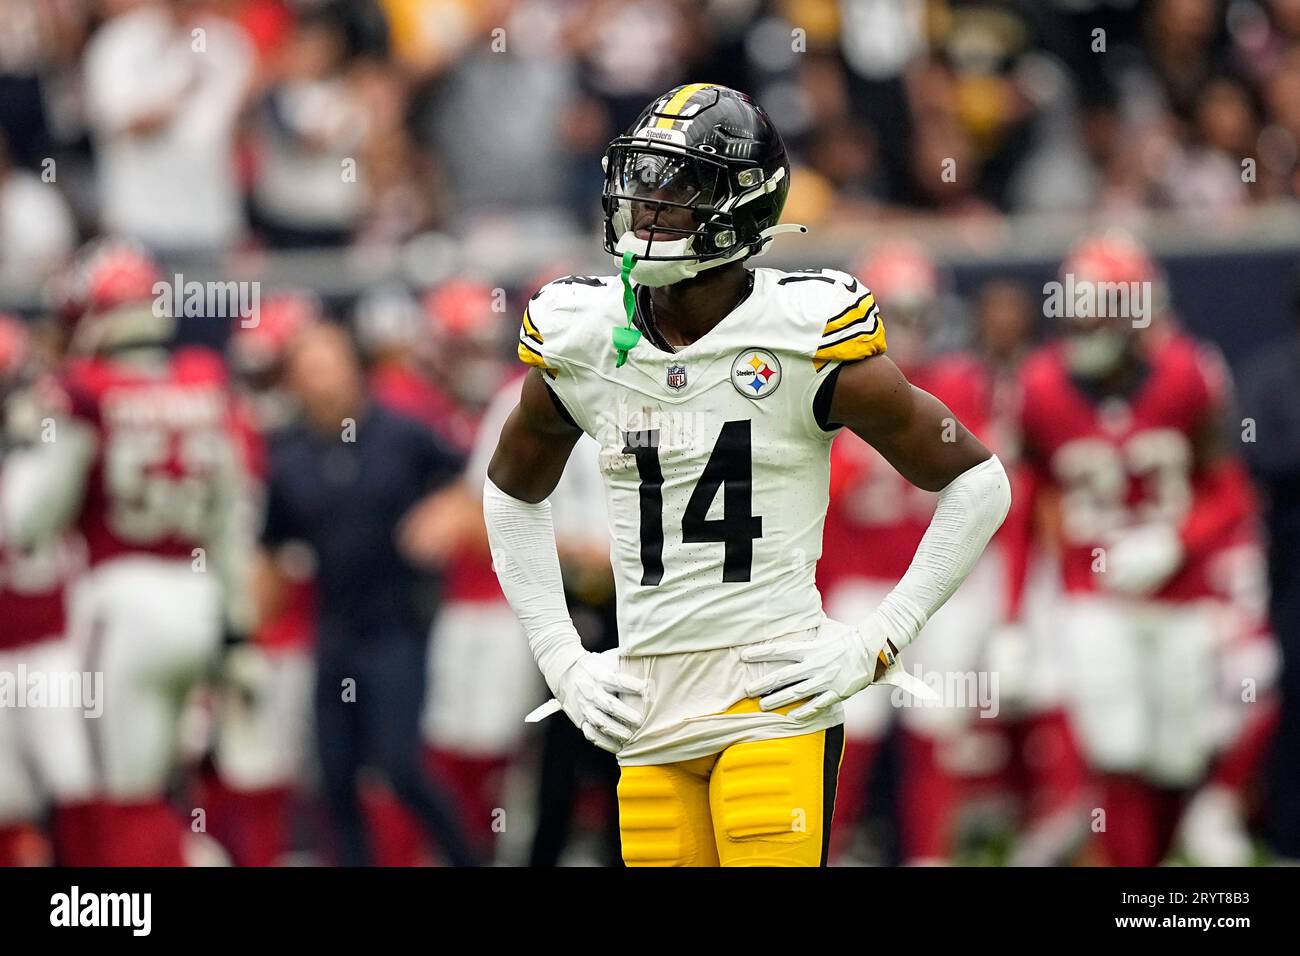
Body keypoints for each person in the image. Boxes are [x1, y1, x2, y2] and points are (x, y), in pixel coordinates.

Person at [482, 84, 1011, 867]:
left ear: (741, 207)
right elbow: (510, 491)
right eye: (642, 179)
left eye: (677, 185)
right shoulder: (584, 335)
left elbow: (979, 481)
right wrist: (559, 652)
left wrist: (879, 641)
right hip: (646, 705)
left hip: (771, 695)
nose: (647, 204)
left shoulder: (804, 337)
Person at [2, 240, 255, 865]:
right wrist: (237, 632)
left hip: (121, 605)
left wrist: (31, 447)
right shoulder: (204, 382)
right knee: (163, 789)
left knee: (122, 797)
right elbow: (233, 519)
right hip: (198, 605)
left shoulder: (84, 392)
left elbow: (28, 521)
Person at [1009, 232, 1255, 866]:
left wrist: (1176, 540)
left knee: (1178, 755)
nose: (1076, 318)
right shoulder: (1038, 386)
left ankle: (1154, 868)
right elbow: (1018, 503)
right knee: (1116, 748)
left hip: (1181, 594)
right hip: (1094, 594)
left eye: (1091, 305)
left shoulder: (1186, 374)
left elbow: (1230, 491)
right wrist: (1013, 615)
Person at [258, 321, 478, 866]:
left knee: (401, 766)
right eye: (308, 367)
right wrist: (244, 633)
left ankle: (469, 860)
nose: (322, 377)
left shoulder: (403, 434)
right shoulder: (289, 456)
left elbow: (474, 481)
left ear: (354, 366)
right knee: (334, 776)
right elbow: (271, 546)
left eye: (329, 362)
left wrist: (447, 512)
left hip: (400, 623)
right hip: (334, 630)